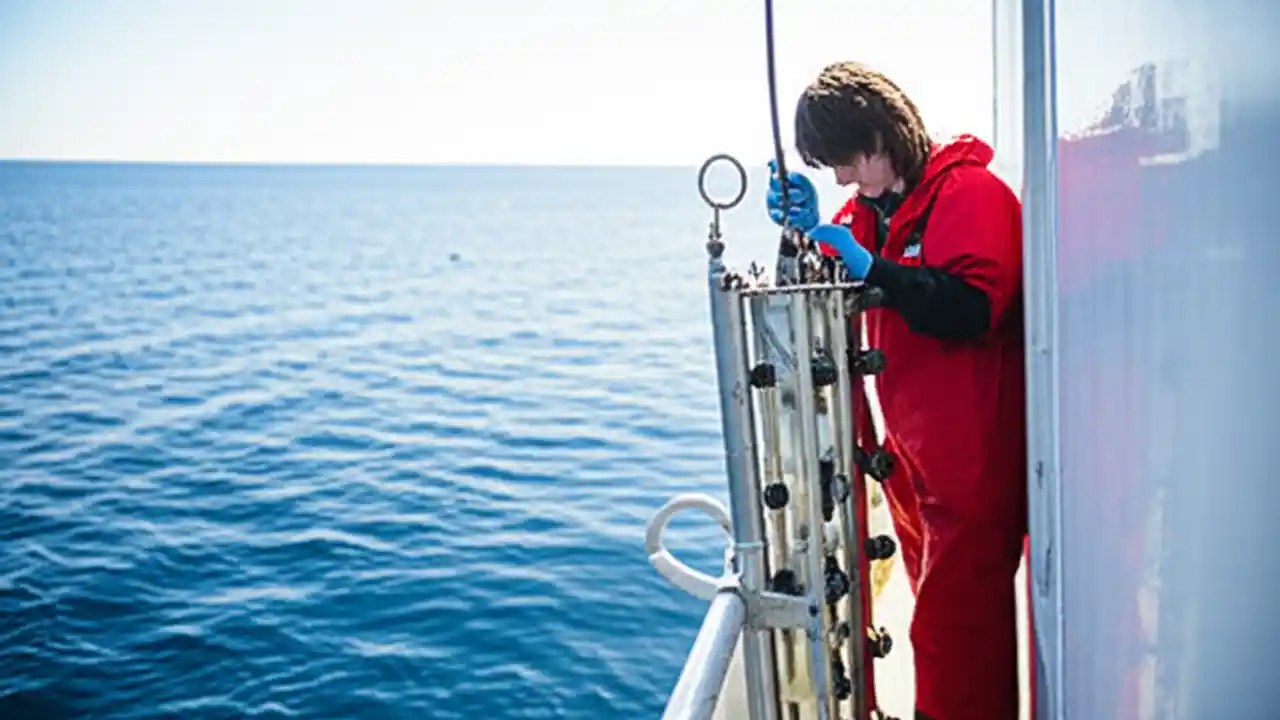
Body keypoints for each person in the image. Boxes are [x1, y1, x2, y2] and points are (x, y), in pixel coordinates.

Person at [766, 61, 1028, 720]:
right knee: (938, 623)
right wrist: (797, 231)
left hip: (973, 470)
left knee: (953, 635)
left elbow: (974, 309)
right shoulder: (868, 215)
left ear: (882, 134)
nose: (842, 179)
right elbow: (821, 287)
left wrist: (876, 268)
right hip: (912, 470)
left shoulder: (971, 195)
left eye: (846, 160)